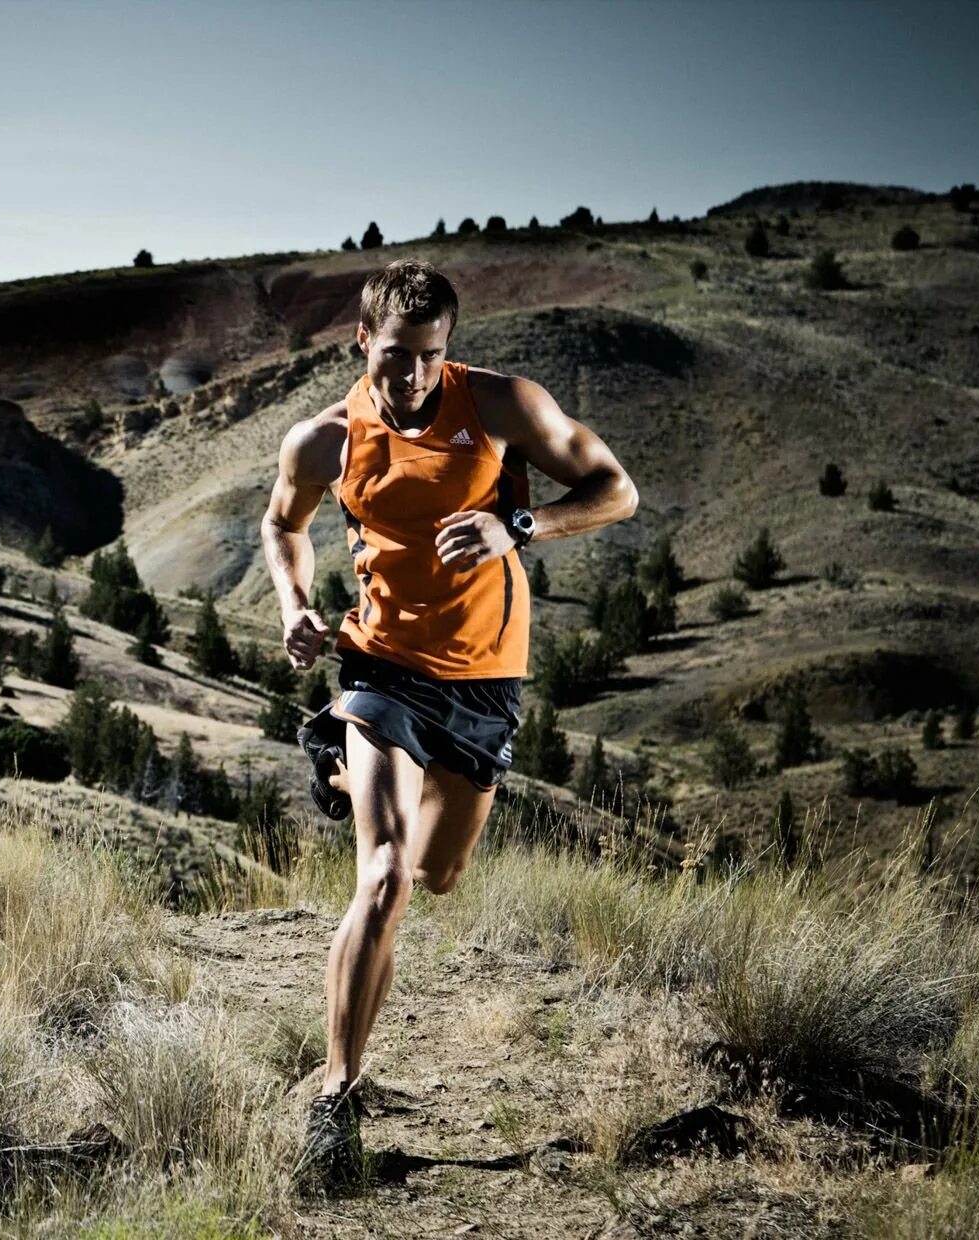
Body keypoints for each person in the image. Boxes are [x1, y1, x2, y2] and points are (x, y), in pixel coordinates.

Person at [260, 259, 638, 1190]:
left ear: (448, 347)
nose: (413, 376)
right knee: (382, 877)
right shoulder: (327, 439)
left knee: (435, 874)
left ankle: (346, 765)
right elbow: (282, 525)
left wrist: (522, 526)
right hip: (381, 664)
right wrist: (293, 604)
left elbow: (616, 490)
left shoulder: (504, 406)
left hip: (487, 680)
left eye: (430, 356)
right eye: (395, 357)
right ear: (362, 342)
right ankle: (335, 1097)